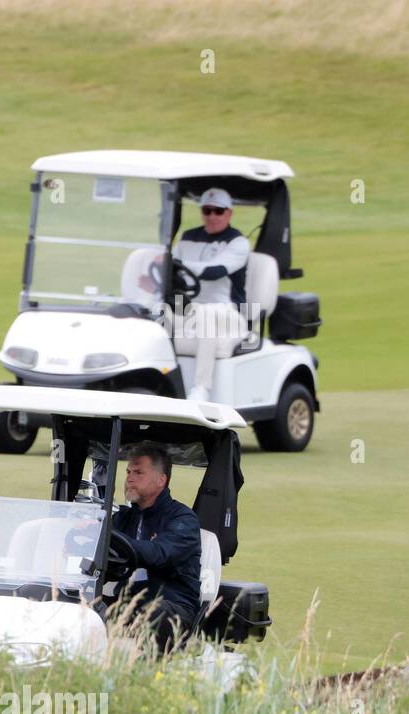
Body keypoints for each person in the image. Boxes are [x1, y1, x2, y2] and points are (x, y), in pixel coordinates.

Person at [110, 444, 202, 652]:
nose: (130, 479)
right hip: (126, 606)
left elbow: (159, 554)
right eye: (128, 472)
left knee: (155, 613)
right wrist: (82, 535)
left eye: (139, 473)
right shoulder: (122, 518)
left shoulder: (183, 520)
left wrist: (111, 538)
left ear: (161, 480)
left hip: (171, 607)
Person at [172, 188, 252, 402]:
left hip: (229, 312)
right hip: (191, 308)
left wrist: (179, 265)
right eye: (207, 210)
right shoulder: (188, 238)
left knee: (208, 315)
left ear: (229, 213)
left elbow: (215, 272)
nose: (212, 216)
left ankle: (201, 389)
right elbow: (170, 270)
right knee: (151, 314)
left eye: (218, 211)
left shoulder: (238, 243)